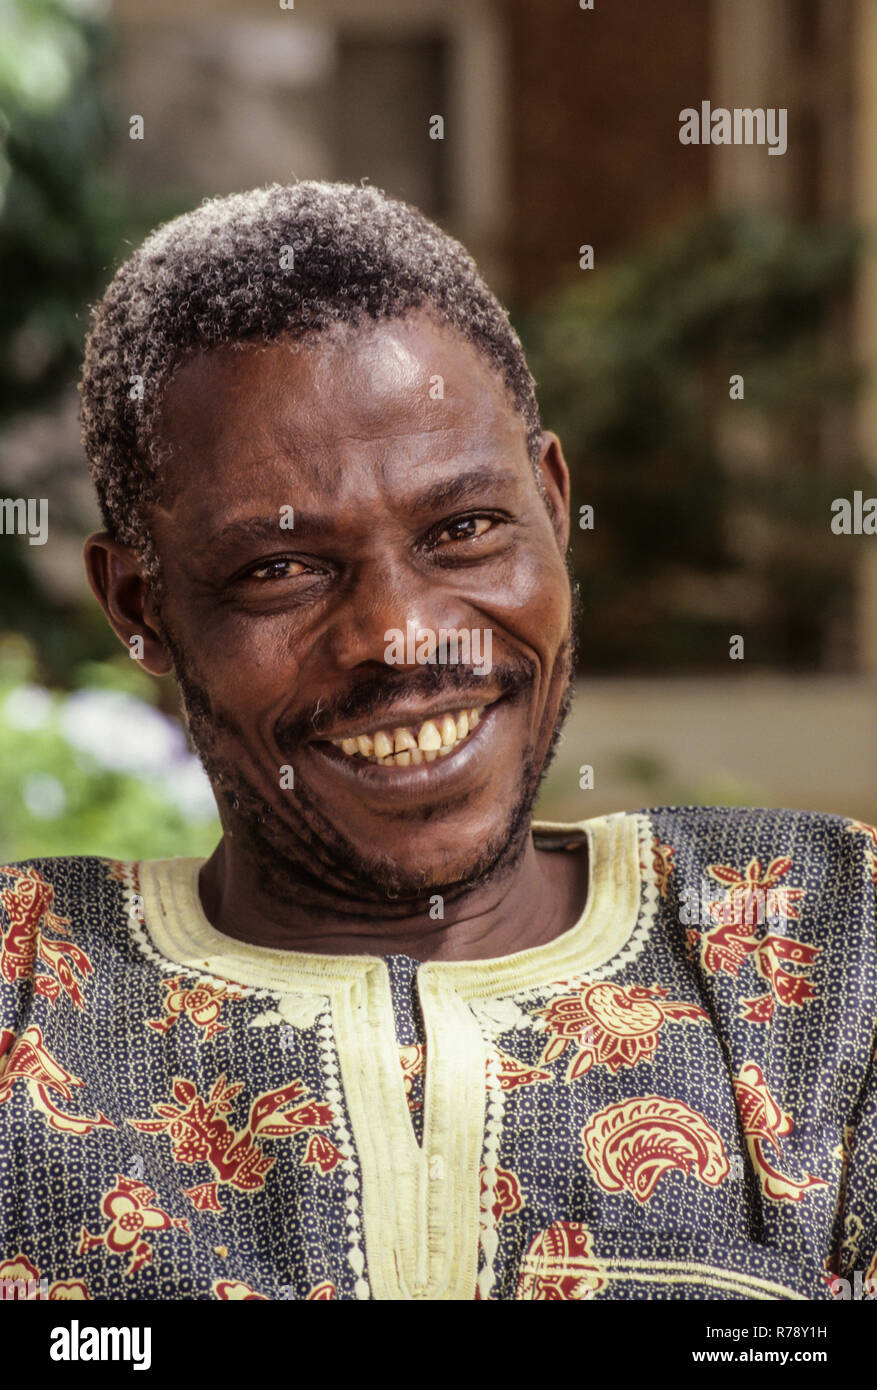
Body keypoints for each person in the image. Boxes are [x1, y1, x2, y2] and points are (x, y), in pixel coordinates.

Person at [1, 182, 874, 1301]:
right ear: (140, 604)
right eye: (282, 569)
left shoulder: (829, 953)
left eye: (462, 530)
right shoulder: (30, 985)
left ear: (552, 507)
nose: (399, 637)